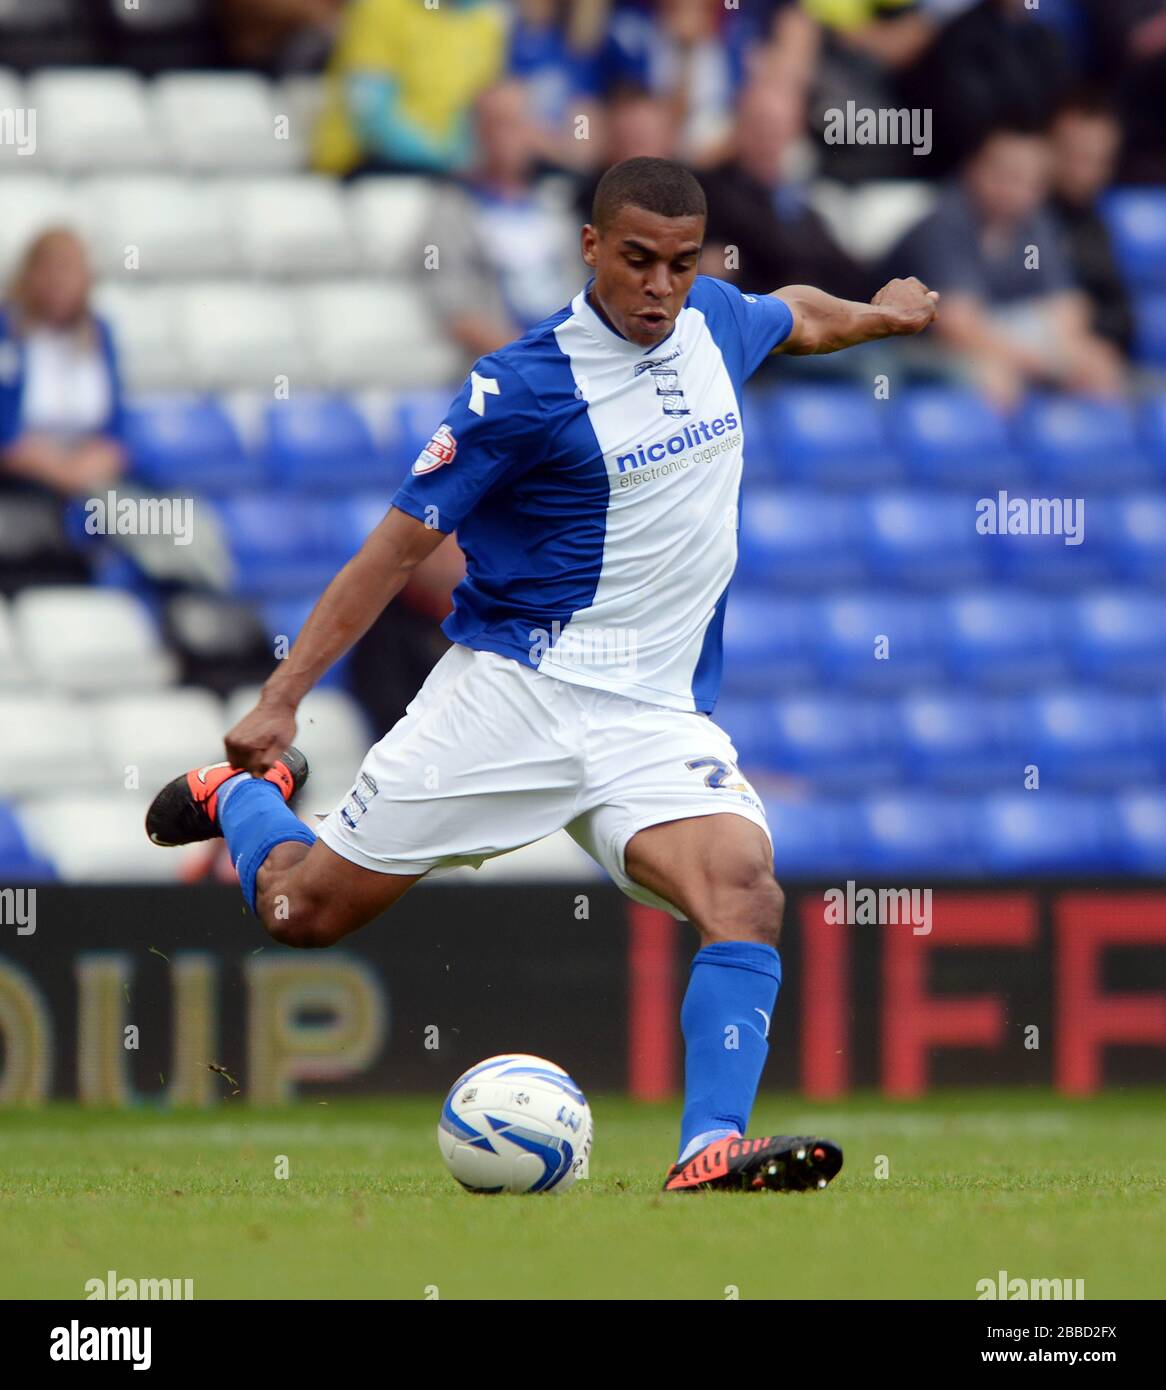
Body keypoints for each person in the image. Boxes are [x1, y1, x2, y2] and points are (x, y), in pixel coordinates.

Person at [145, 156, 939, 1194]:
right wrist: (282, 700)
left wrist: (874, 316)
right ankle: (245, 801)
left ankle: (708, 1144)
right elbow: (389, 550)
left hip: (654, 714)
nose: (659, 287)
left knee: (743, 889)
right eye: (637, 261)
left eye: (680, 265)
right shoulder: (520, 387)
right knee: (303, 914)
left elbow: (794, 314)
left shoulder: (710, 323)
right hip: (513, 695)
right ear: (591, 249)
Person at [884, 124, 1124, 406]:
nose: (1015, 189)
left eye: (1030, 181)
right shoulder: (943, 224)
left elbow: (1070, 309)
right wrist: (1043, 363)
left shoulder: (1038, 224)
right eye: (1006, 175)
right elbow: (957, 325)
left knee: (1099, 363)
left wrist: (1060, 356)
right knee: (994, 379)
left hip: (1007, 334)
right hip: (913, 349)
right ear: (973, 167)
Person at [311, 0, 508, 177]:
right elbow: (368, 110)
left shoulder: (486, 21)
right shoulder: (380, 8)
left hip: (447, 169)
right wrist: (441, 158)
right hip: (364, 161)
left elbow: (483, 109)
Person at [0, 228, 127, 499]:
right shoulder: (7, 332)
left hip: (89, 480)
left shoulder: (100, 333)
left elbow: (117, 430)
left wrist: (86, 467)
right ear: (29, 274)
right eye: (49, 270)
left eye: (68, 270)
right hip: (20, 485)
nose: (59, 281)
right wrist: (59, 470)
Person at [1048, 93, 1134, 358]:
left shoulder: (1094, 226)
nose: (1086, 172)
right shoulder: (1018, 219)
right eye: (1076, 156)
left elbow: (1120, 319)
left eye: (1100, 161)